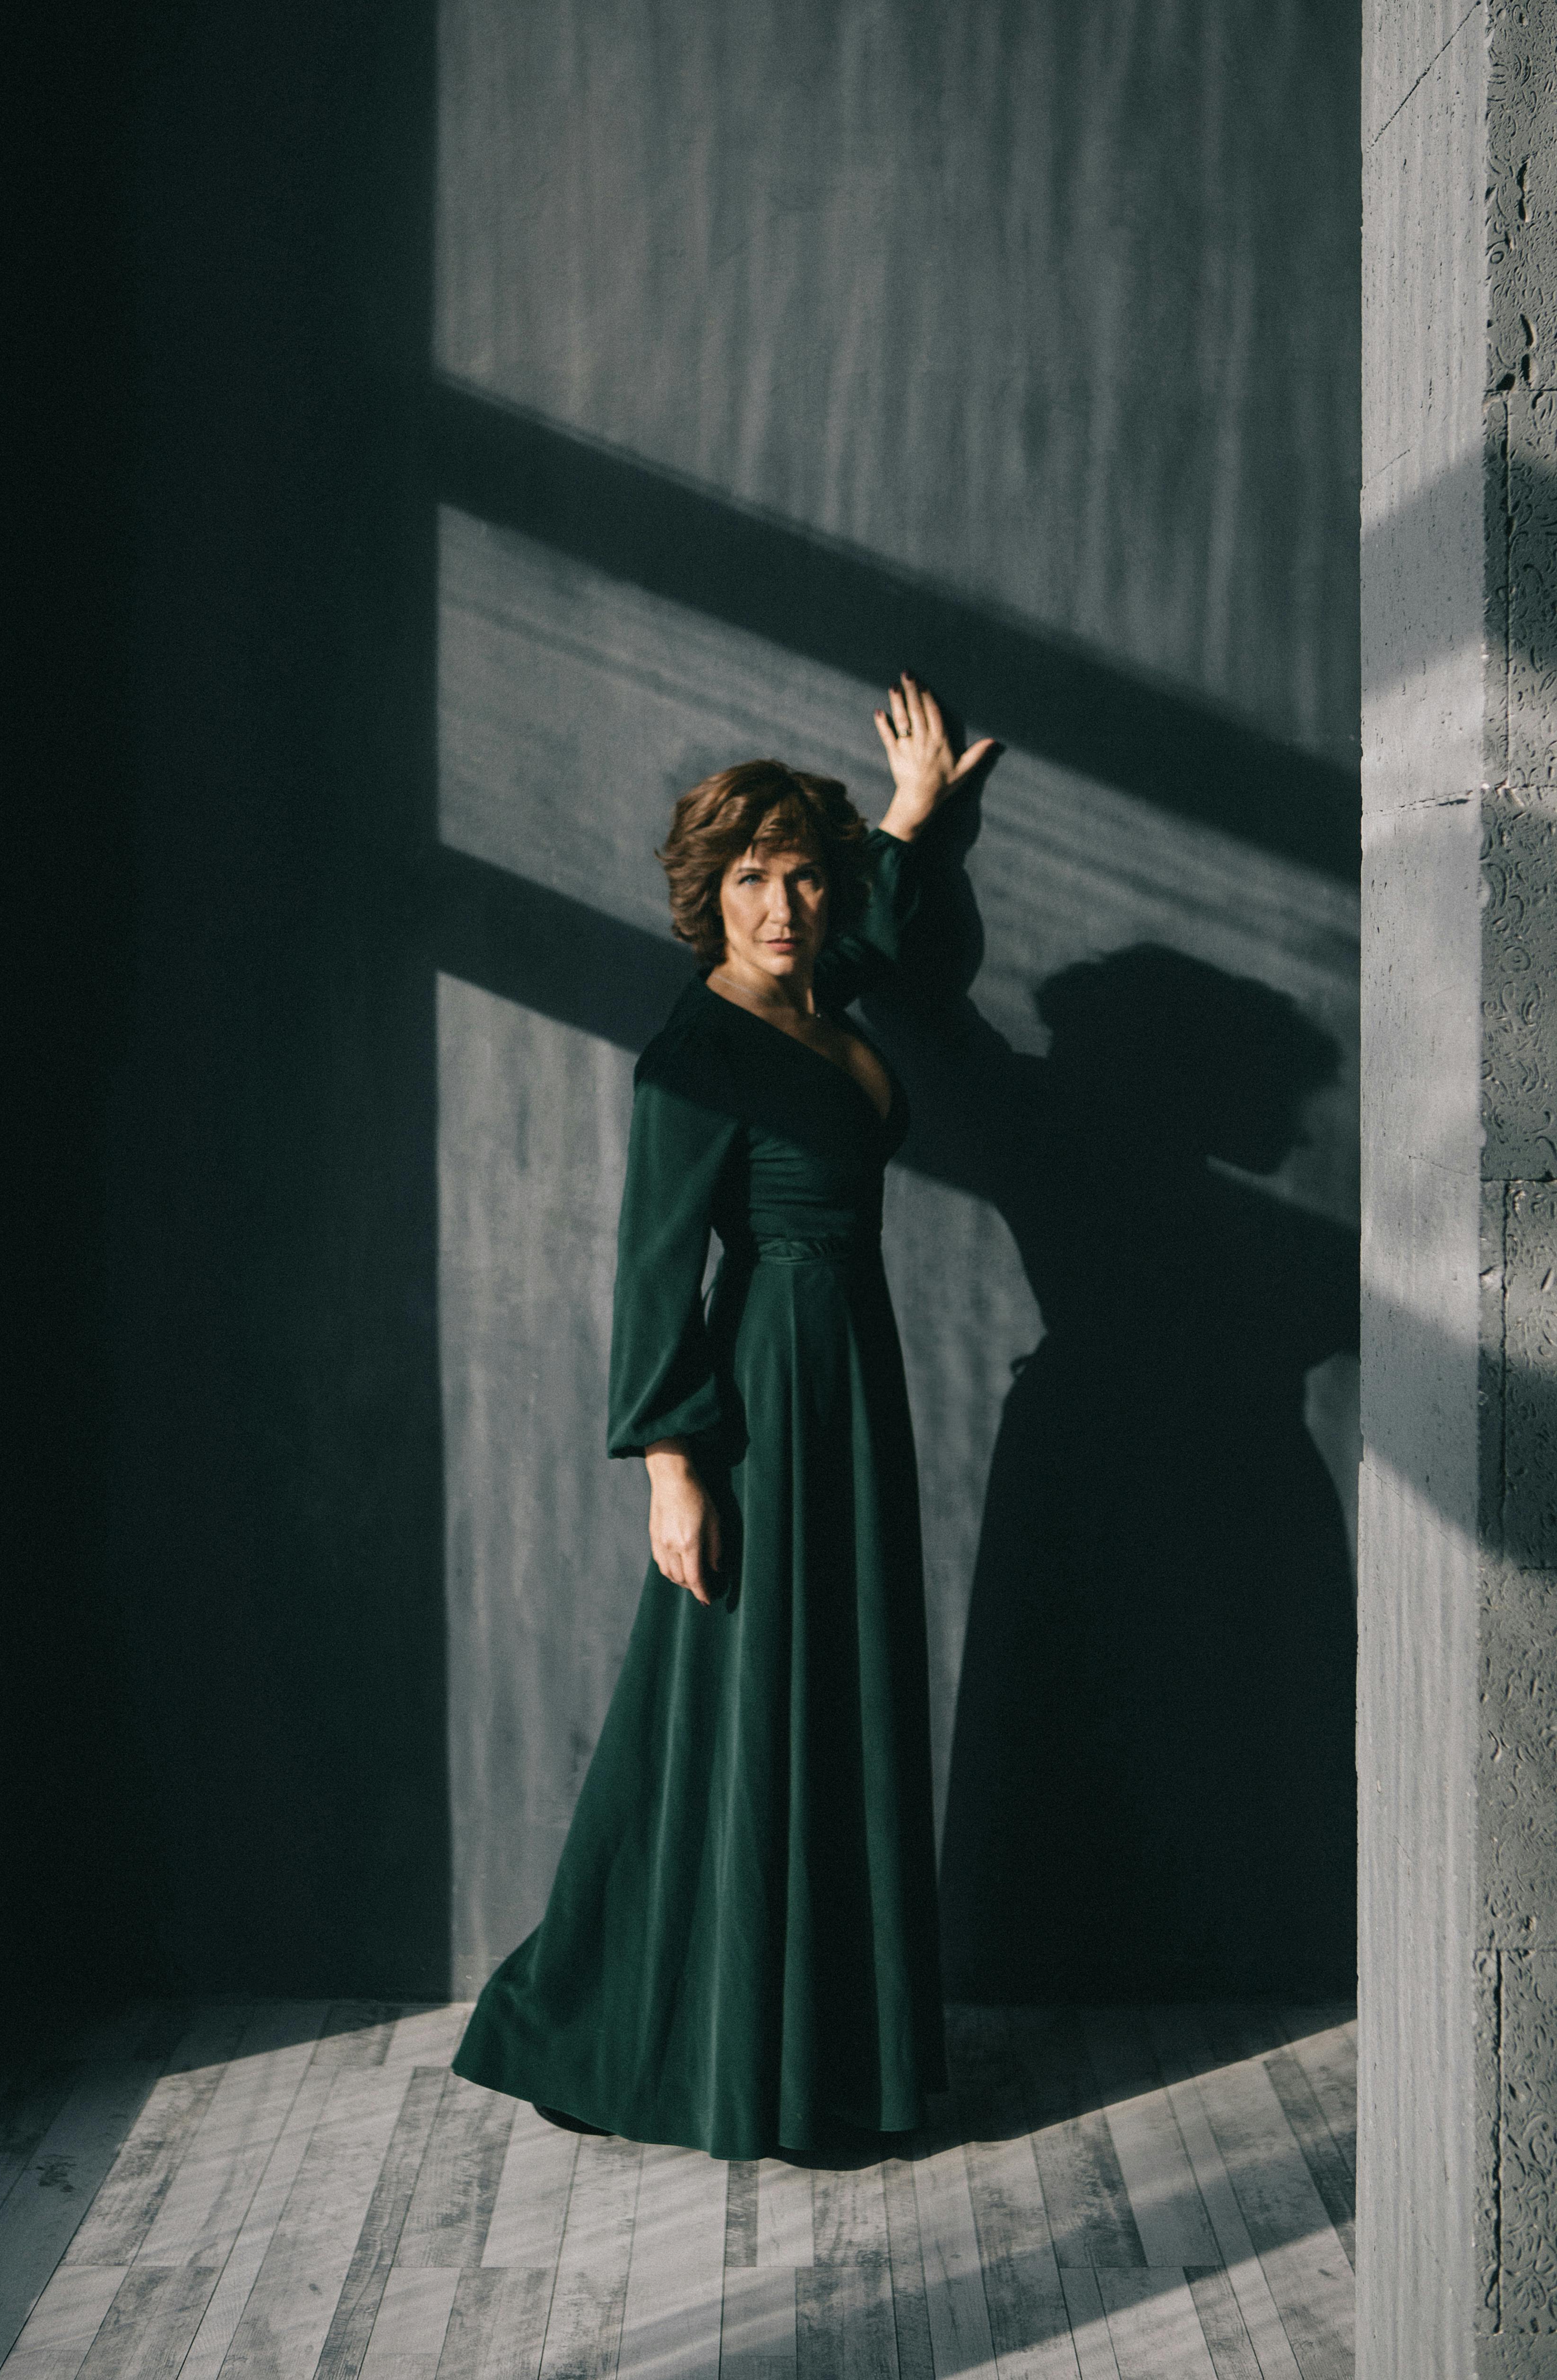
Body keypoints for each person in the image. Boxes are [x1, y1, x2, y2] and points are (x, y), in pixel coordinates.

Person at [452, 675, 994, 2160]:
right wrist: (674, 1466)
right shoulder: (703, 1048)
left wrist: (905, 819)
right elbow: (652, 1271)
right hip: (764, 1398)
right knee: (749, 1707)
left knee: (843, 1689)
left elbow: (880, 930)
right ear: (712, 892)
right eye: (751, 878)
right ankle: (713, 2045)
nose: (782, 905)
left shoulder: (822, 995)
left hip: (854, 1381)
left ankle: (835, 2049)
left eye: (803, 874)